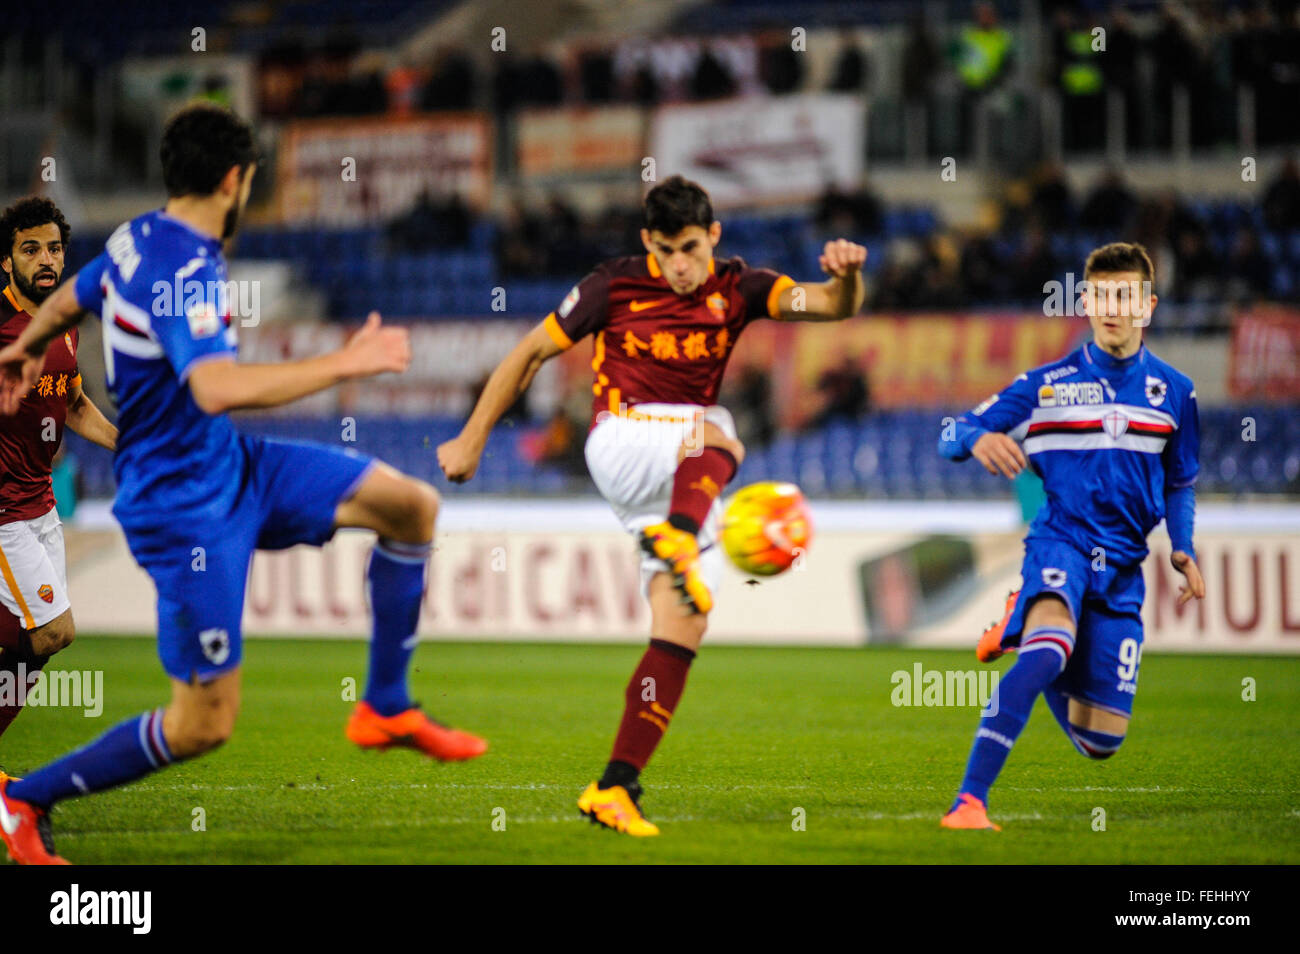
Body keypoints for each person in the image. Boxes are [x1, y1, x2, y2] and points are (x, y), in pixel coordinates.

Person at [0, 104, 485, 865]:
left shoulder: (140, 236)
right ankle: (23, 798)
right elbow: (217, 386)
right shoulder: (186, 267)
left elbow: (78, 292)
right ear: (236, 180)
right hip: (182, 509)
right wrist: (344, 363)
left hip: (232, 465)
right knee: (202, 725)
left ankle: (385, 705)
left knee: (410, 506)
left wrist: (27, 346)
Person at [437, 175, 865, 836]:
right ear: (648, 243)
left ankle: (616, 786)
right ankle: (681, 535)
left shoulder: (743, 288)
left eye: (691, 248)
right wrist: (471, 438)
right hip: (624, 441)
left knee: (683, 621)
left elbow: (832, 307)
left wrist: (846, 277)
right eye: (666, 251)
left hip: (676, 478)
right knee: (721, 431)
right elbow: (530, 353)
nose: (680, 266)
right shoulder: (611, 285)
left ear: (714, 236)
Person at [937, 242, 1204, 831]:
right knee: (1052, 647)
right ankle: (969, 802)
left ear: (1148, 307)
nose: (1113, 307)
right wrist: (976, 440)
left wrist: (1182, 546)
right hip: (1062, 544)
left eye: (1125, 296)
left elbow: (1181, 480)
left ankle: (1020, 627)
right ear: (1085, 302)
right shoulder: (1046, 385)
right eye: (1102, 295)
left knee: (1100, 742)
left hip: (1124, 570)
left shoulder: (1176, 393)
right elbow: (953, 431)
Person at [0, 198, 117, 760]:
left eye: (53, 248)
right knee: (53, 632)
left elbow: (70, 405)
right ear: (7, 261)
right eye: (30, 249)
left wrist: (125, 443)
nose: (45, 259)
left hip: (41, 507)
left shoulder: (64, 324)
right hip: (4, 516)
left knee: (41, 644)